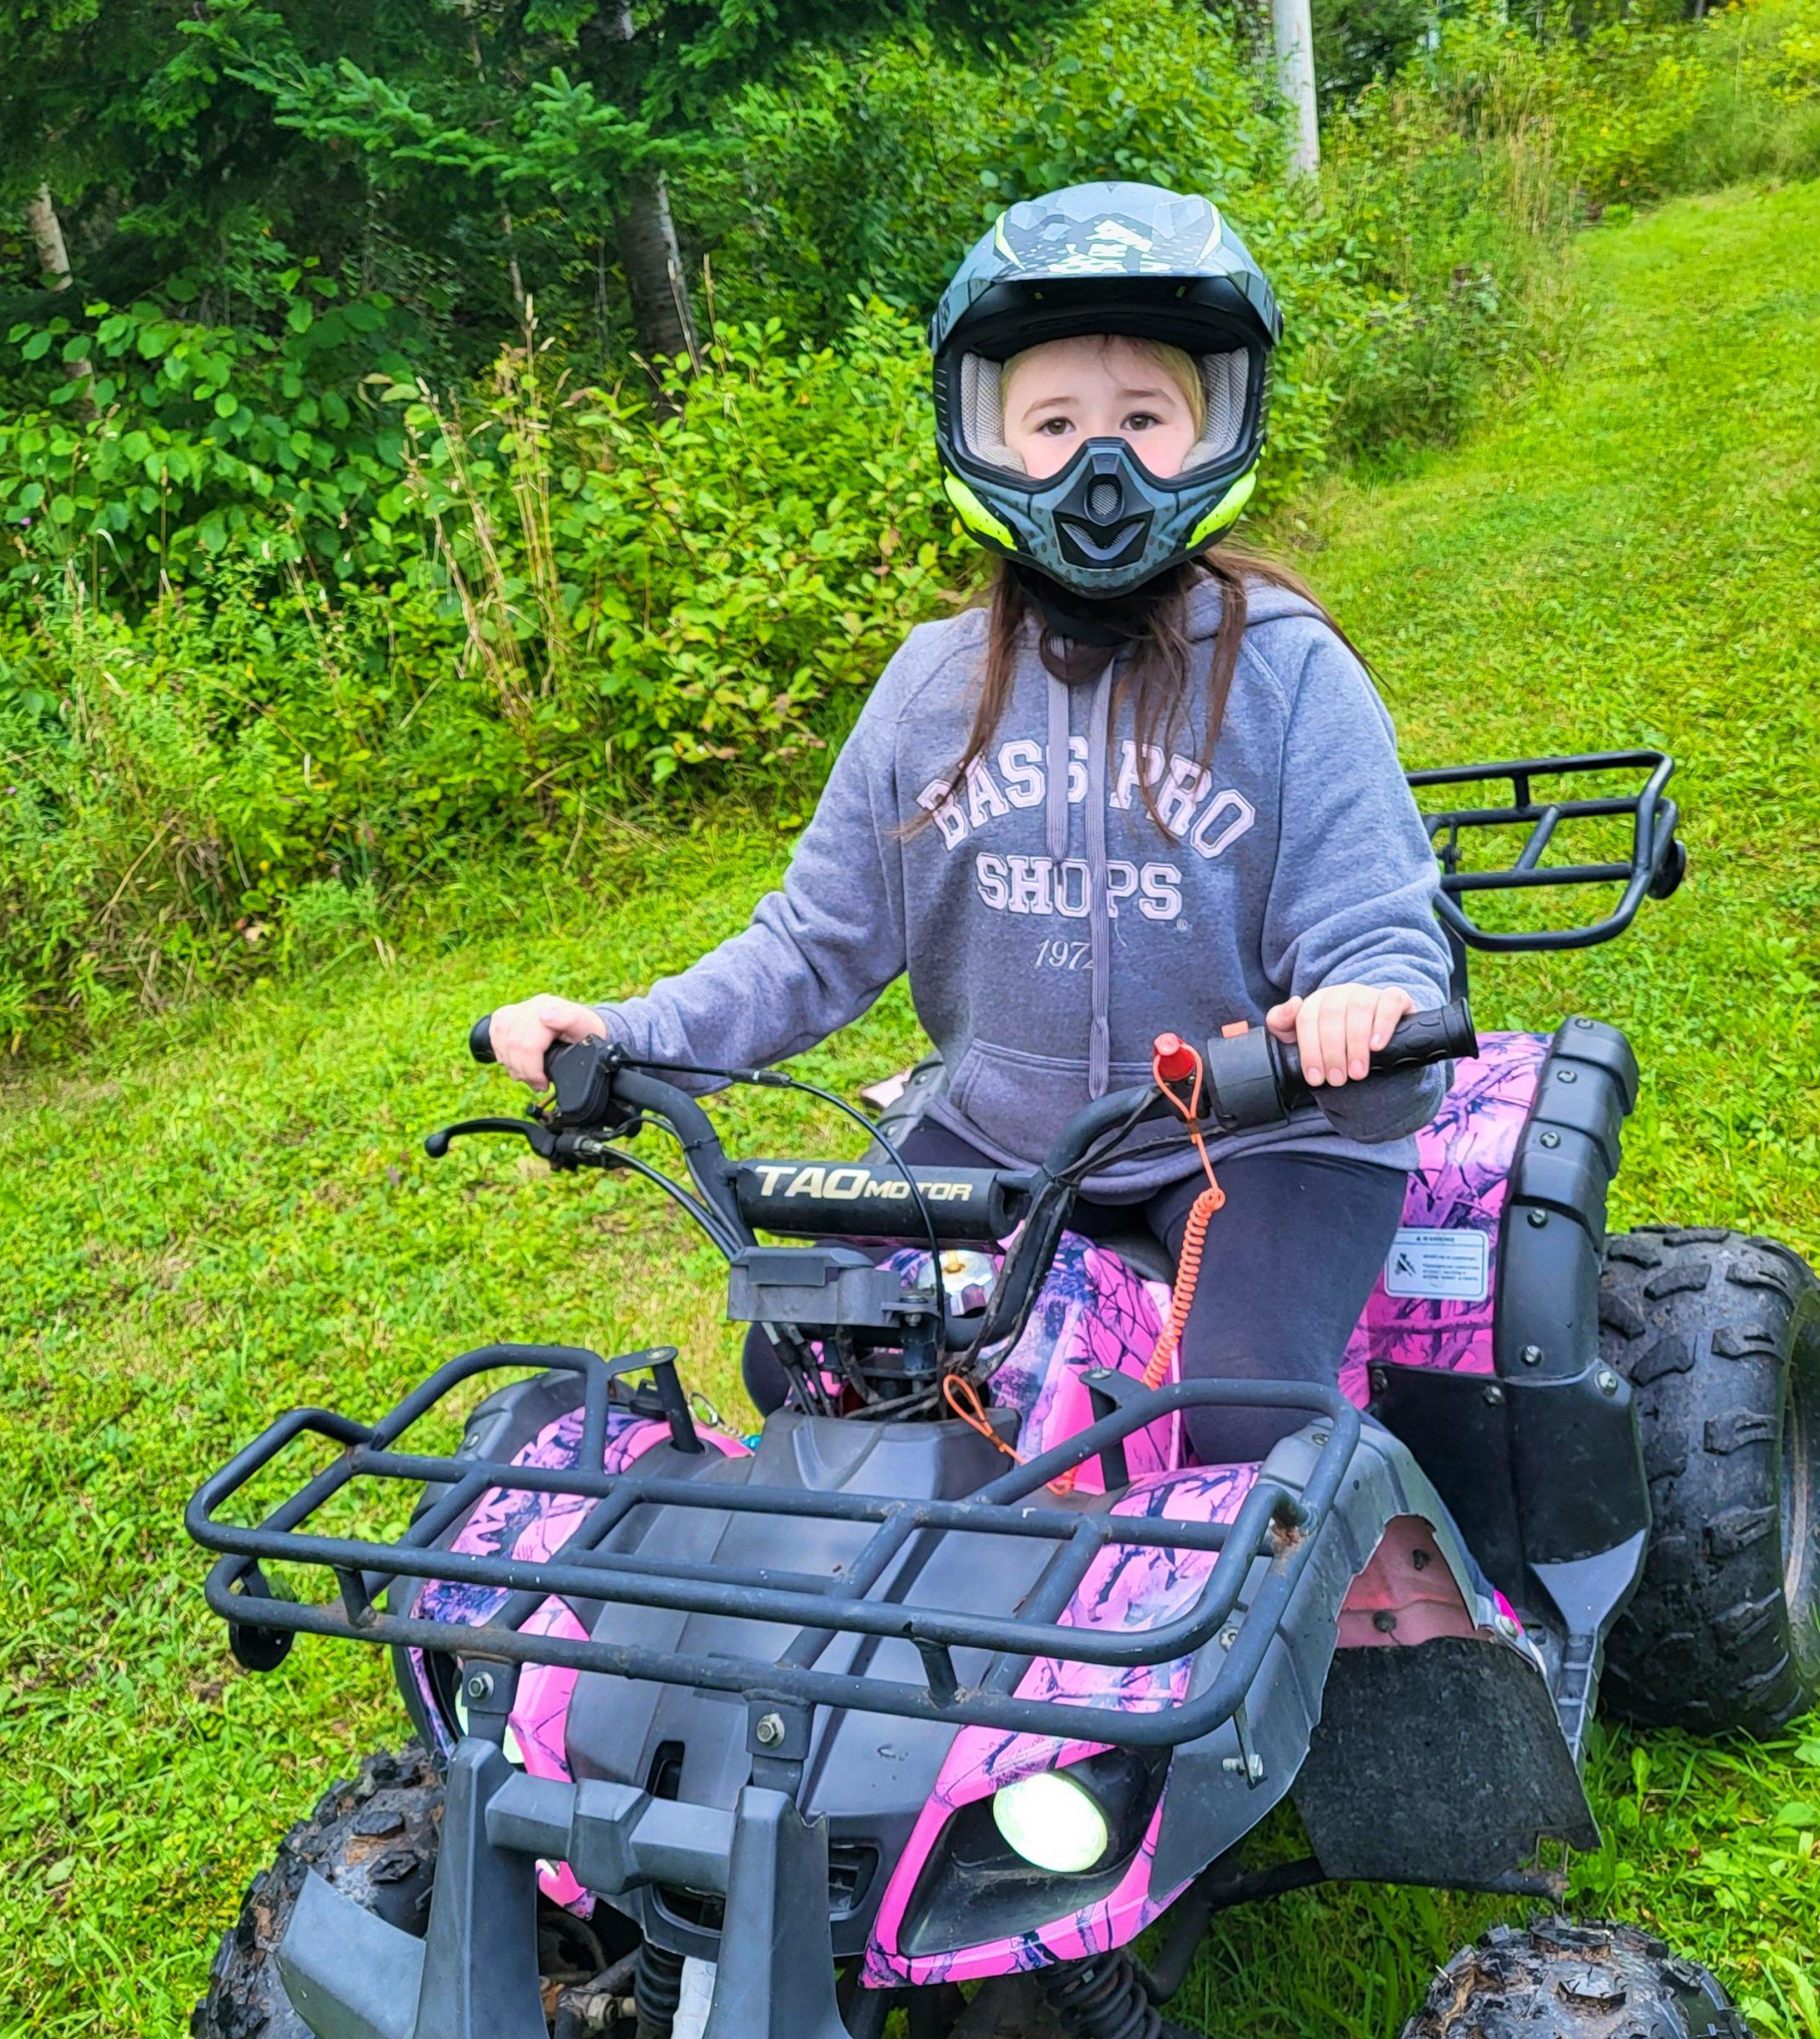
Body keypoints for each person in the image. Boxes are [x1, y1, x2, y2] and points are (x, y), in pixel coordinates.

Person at [485, 180, 1449, 1464]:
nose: (1100, 461)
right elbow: (812, 943)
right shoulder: (932, 689)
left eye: (1145, 418)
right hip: (1002, 1133)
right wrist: (627, 1031)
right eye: (1052, 421)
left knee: (1235, 1416)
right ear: (985, 439)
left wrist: (1362, 1007)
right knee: (812, 1359)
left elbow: (1380, 936)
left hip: (1256, 1139)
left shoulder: (1289, 674)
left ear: (1216, 426)